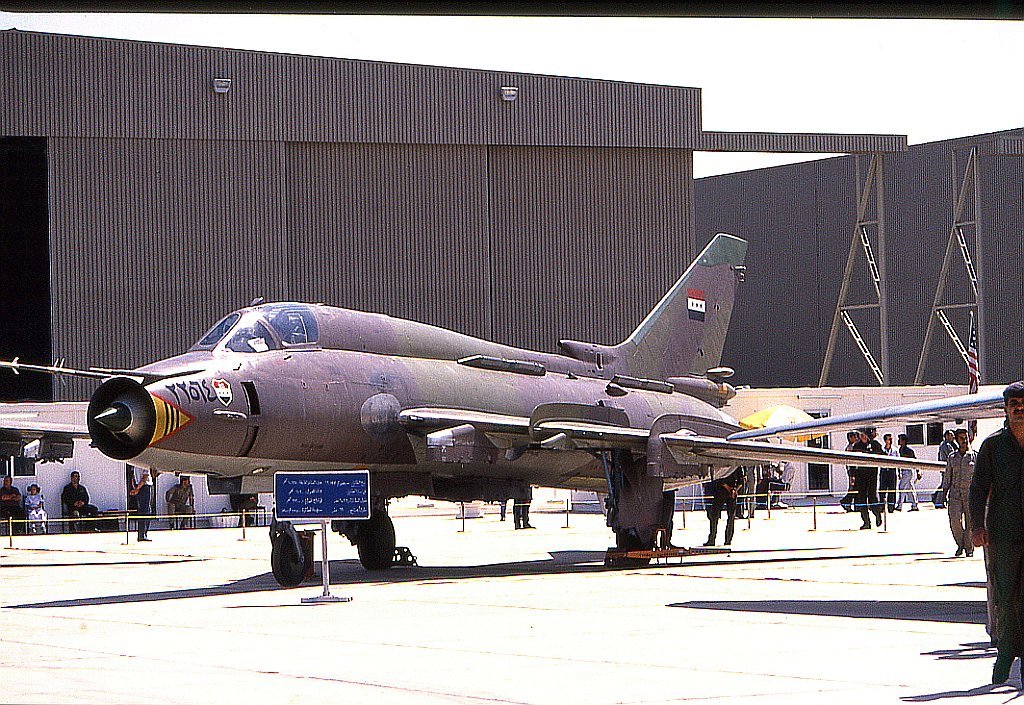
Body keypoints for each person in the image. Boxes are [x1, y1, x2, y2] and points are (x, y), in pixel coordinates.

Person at [970, 381, 1024, 684]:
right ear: (1005, 409)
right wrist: (977, 526)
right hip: (1003, 533)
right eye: (1013, 403)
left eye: (1022, 402)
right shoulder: (993, 445)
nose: (1019, 407)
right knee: (1004, 597)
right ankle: (1005, 653)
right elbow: (978, 488)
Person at [942, 428, 975, 558]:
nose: (964, 441)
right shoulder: (952, 458)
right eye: (961, 438)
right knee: (955, 520)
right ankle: (960, 544)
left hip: (970, 495)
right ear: (956, 440)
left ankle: (969, 547)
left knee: (970, 523)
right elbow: (947, 476)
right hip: (955, 495)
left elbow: (981, 477)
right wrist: (943, 494)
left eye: (966, 438)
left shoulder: (975, 456)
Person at [851, 427, 884, 529]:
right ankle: (866, 522)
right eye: (860, 435)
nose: (862, 436)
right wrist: (852, 475)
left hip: (872, 475)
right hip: (860, 476)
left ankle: (877, 514)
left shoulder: (875, 445)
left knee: (872, 497)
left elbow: (883, 456)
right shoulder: (856, 446)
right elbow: (852, 461)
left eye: (864, 434)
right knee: (861, 499)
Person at [704, 468, 743, 546]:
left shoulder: (730, 466)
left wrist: (731, 489)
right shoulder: (737, 466)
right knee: (728, 516)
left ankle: (713, 539)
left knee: (716, 515)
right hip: (730, 492)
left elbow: (720, 478)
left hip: (722, 491)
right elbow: (741, 480)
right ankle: (726, 540)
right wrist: (734, 490)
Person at [896, 434, 920, 511]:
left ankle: (899, 506)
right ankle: (914, 505)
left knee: (901, 487)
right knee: (909, 489)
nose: (898, 441)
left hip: (908, 471)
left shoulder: (909, 451)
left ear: (904, 441)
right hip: (903, 471)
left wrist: (918, 471)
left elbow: (915, 461)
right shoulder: (900, 450)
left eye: (900, 439)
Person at [130, 467, 153, 541]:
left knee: (145, 510)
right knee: (145, 511)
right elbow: (144, 478)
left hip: (138, 486)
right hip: (144, 487)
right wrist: (137, 489)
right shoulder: (144, 464)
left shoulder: (135, 466)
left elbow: (133, 478)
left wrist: (135, 488)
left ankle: (143, 533)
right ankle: (142, 535)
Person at [839, 431, 860, 512]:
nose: (856, 438)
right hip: (852, 471)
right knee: (853, 488)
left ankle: (856, 506)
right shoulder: (850, 448)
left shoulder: (854, 446)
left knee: (856, 488)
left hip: (855, 470)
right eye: (854, 437)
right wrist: (852, 474)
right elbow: (850, 462)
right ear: (850, 438)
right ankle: (845, 501)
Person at [880, 433, 899, 512]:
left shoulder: (895, 450)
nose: (890, 441)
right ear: (885, 440)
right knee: (882, 490)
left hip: (892, 471)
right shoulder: (881, 449)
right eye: (889, 439)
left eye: (891, 439)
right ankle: (881, 507)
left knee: (892, 490)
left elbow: (899, 461)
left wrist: (899, 472)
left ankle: (891, 507)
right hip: (884, 471)